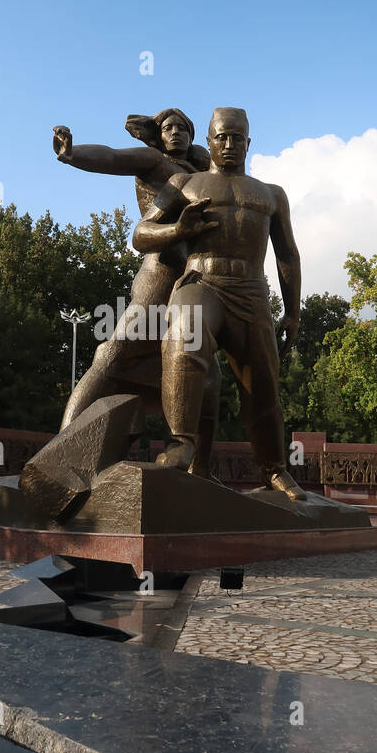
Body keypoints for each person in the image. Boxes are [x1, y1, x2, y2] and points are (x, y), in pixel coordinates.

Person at [132, 107, 305, 500]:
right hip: (202, 279)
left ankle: (276, 470)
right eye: (221, 137)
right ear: (208, 141)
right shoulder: (183, 183)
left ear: (249, 142)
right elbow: (142, 234)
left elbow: (288, 255)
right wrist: (179, 229)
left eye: (237, 137)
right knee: (184, 336)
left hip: (250, 290)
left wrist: (293, 312)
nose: (229, 144)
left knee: (262, 384)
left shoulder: (271, 194)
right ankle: (181, 442)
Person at [51, 110, 222, 480]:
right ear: (157, 135)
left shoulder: (204, 174)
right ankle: (61, 448)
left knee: (207, 378)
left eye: (183, 128)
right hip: (160, 275)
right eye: (168, 127)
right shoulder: (153, 161)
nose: (176, 132)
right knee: (114, 353)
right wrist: (72, 153)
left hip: (194, 281)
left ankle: (200, 470)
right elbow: (112, 157)